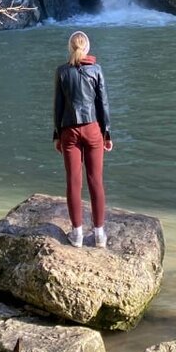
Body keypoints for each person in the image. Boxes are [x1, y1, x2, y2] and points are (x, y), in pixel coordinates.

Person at [53, 30, 113, 248]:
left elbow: (58, 107)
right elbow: (103, 104)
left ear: (70, 48)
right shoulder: (96, 70)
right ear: (86, 48)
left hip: (69, 130)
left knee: (73, 182)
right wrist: (106, 133)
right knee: (96, 181)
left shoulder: (62, 72)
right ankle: (99, 235)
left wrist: (57, 135)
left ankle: (77, 234)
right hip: (93, 129)